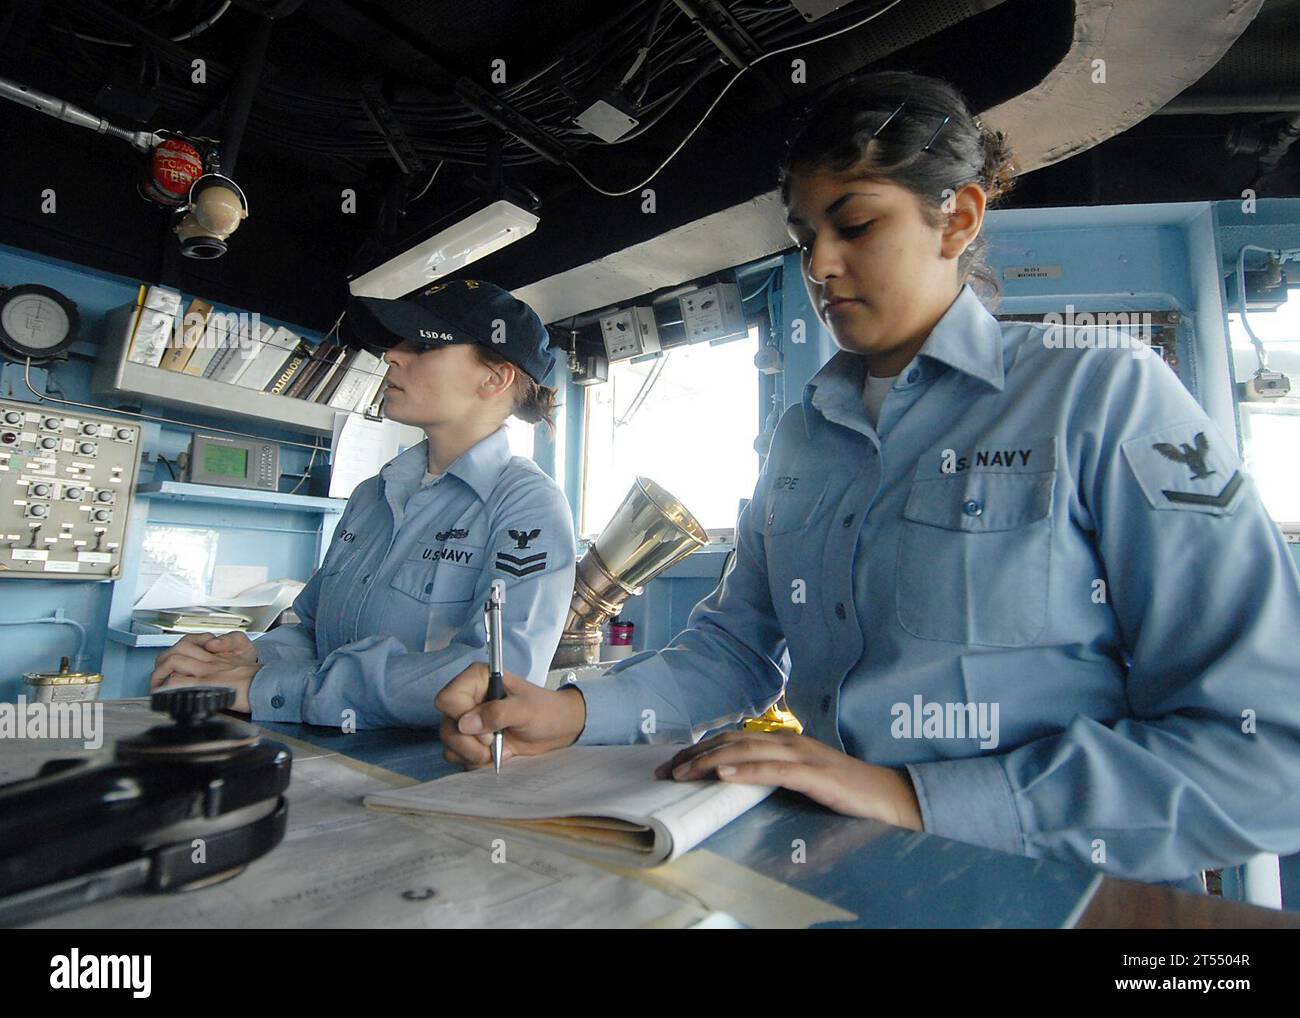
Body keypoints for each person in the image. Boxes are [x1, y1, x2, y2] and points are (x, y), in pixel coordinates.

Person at [436, 70, 1300, 889]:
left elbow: (1267, 753)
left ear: (957, 220)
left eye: (855, 226)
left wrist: (913, 797)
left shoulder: (1102, 394)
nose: (818, 265)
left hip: (1059, 892)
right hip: (838, 874)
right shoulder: (803, 433)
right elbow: (735, 649)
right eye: (806, 236)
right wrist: (570, 712)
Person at [151, 279, 577, 728]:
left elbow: (495, 676)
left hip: (429, 779)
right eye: (397, 343)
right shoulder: (372, 494)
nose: (392, 355)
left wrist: (273, 687)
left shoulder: (527, 506)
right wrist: (253, 654)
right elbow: (315, 632)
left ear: (494, 378)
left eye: (422, 346)